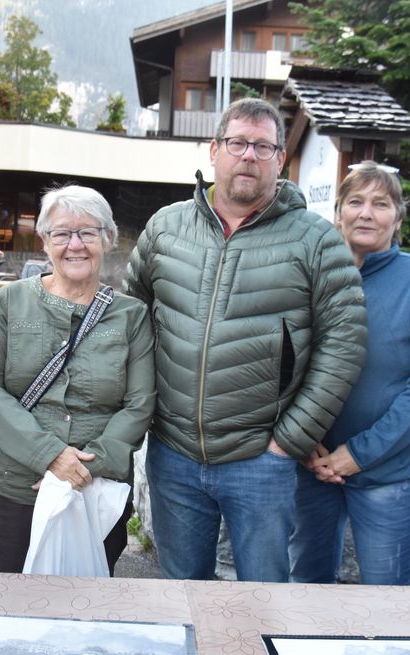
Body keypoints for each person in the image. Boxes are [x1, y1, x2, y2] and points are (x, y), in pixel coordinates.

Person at [125, 97, 367, 583]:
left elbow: (344, 344)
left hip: (261, 459)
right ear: (214, 149)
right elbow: (131, 320)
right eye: (237, 143)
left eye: (263, 147)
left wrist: (289, 440)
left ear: (280, 159)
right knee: (182, 592)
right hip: (173, 452)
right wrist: (143, 413)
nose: (249, 156)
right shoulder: (165, 227)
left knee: (263, 597)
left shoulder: (316, 240)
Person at [290, 162, 410, 585]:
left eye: (381, 204)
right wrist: (304, 442)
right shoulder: (314, 278)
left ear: (397, 219)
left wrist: (359, 454)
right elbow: (287, 362)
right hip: (313, 467)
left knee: (386, 598)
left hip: (391, 474)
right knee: (303, 591)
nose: (366, 213)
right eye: (356, 202)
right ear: (338, 213)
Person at [0, 185, 155, 573]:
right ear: (44, 241)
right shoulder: (12, 301)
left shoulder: (131, 316)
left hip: (97, 490)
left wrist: (87, 466)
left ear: (107, 239)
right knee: (10, 598)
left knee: (86, 601)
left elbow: (140, 405)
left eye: (87, 232)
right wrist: (51, 456)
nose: (75, 244)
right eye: (62, 233)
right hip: (18, 484)